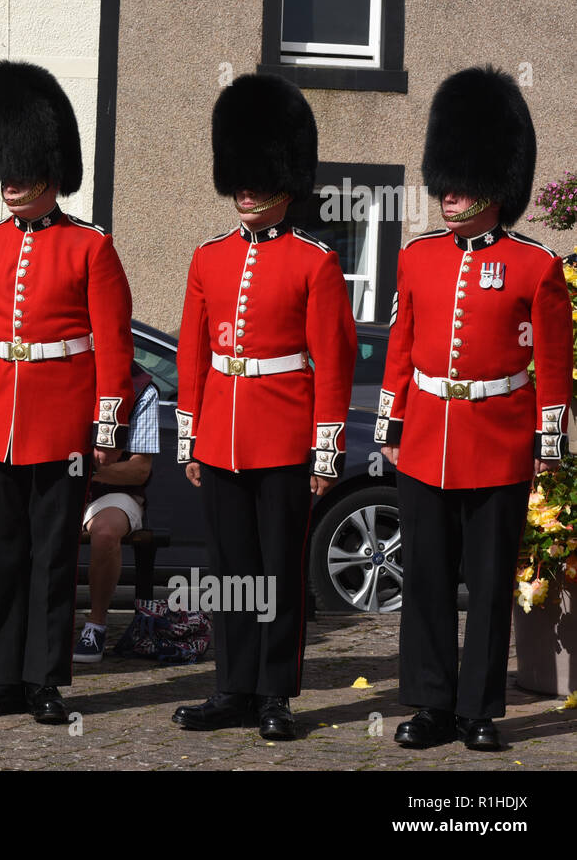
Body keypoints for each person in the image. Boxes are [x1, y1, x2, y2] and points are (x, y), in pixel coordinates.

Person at [376, 66, 572, 751]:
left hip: (497, 440)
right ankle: (430, 704)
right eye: (446, 179)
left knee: (488, 585)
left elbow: (551, 365)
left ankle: (478, 710)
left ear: (495, 184)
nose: (449, 193)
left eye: (462, 180)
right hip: (428, 436)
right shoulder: (418, 258)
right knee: (427, 579)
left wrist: (547, 442)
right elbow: (401, 347)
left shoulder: (533, 265)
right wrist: (391, 426)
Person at [0, 61, 135, 725]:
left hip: (59, 425)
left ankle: (45, 678)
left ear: (51, 174)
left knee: (52, 558)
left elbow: (114, 345)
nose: (13, 183)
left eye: (24, 171)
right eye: (7, 171)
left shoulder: (91, 247)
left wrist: (105, 424)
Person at [172, 73, 357, 740]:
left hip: (283, 438)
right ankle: (233, 686)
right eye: (240, 177)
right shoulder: (208, 257)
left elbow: (334, 362)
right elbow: (193, 353)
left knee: (277, 572)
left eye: (258, 176)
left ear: (285, 181)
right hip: (221, 435)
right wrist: (191, 434)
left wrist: (327, 449)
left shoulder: (315, 262)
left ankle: (276, 692)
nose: (246, 190)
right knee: (229, 572)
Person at [73, 365, 160, 663]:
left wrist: (86, 471)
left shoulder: (141, 390)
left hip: (110, 491)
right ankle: (39, 625)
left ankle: (96, 625)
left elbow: (139, 470)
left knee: (106, 531)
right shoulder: (64, 373)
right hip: (59, 486)